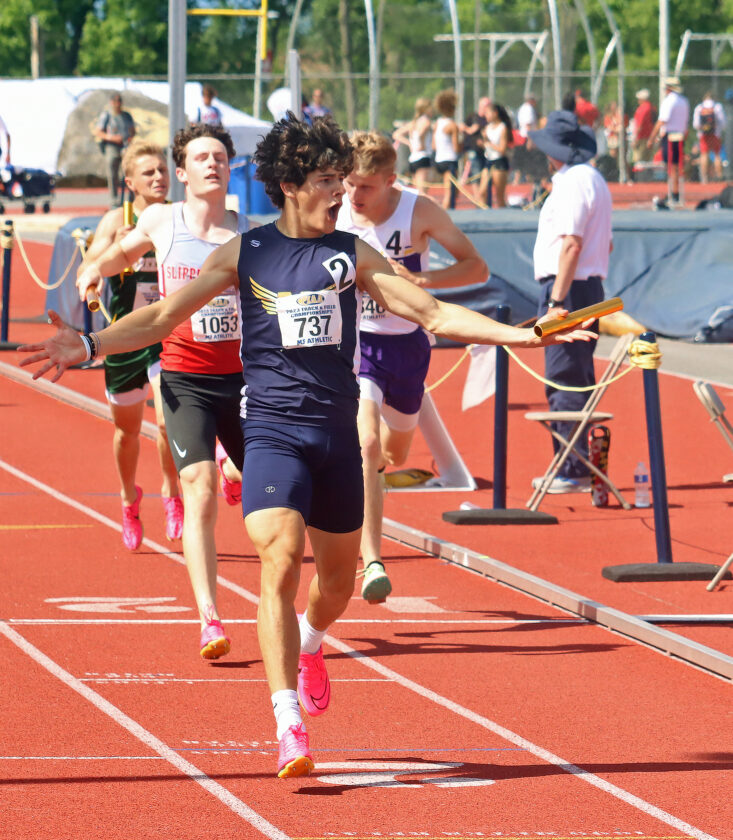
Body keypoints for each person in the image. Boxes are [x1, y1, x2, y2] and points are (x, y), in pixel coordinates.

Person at [19, 114, 594, 778]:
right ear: (291, 185)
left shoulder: (351, 252)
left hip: (335, 438)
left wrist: (524, 335)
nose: (341, 195)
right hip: (269, 431)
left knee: (337, 586)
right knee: (279, 557)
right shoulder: (245, 252)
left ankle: (314, 643)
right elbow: (162, 315)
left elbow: (431, 312)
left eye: (344, 183)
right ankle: (286, 719)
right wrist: (89, 343)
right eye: (327, 182)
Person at [75, 123, 249, 661]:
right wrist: (91, 272)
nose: (213, 164)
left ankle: (237, 469)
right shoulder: (160, 219)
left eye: (221, 157)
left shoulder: (249, 234)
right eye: (202, 157)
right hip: (182, 375)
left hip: (241, 379)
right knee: (196, 486)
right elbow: (116, 255)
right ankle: (208, 616)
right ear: (182, 172)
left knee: (271, 495)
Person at [337, 129, 488, 603]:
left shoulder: (418, 210)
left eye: (365, 186)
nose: (353, 195)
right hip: (358, 345)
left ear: (390, 181)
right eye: (348, 183)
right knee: (365, 445)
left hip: (408, 348)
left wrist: (420, 278)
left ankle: (368, 476)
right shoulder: (335, 209)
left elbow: (476, 268)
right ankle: (373, 561)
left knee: (392, 456)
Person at [79, 140, 182, 551]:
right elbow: (90, 264)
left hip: (165, 333)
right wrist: (114, 245)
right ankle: (128, 498)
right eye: (149, 173)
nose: (158, 178)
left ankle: (171, 492)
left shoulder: (177, 216)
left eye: (162, 170)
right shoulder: (116, 218)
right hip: (124, 336)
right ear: (130, 182)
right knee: (127, 432)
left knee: (165, 423)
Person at [528, 109, 612, 494]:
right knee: (575, 376)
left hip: (570, 288)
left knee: (564, 376)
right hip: (584, 285)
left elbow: (572, 243)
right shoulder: (590, 179)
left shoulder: (575, 182)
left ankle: (571, 468)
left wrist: (556, 299)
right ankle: (573, 463)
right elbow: (601, 243)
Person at [648, 77, 689, 205]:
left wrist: (651, 138)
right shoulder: (684, 101)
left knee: (671, 165)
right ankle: (675, 192)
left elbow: (662, 121)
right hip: (680, 136)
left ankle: (673, 192)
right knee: (676, 165)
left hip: (670, 136)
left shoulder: (669, 101)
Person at [94, 93, 136, 208]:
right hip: (112, 146)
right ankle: (114, 200)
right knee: (112, 170)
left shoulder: (126, 116)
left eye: (119, 101)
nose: (118, 104)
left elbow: (132, 130)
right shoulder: (107, 115)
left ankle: (131, 199)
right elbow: (98, 131)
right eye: (115, 101)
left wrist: (129, 138)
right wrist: (112, 138)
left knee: (129, 171)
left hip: (125, 145)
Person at [393, 97, 433, 196]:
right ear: (426, 109)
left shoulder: (413, 123)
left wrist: (410, 143)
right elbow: (421, 133)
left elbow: (396, 134)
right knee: (422, 193)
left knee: (418, 192)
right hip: (423, 157)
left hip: (413, 159)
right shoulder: (426, 121)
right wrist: (422, 143)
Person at [431, 89, 461, 209]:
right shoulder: (452, 125)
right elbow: (456, 148)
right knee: (450, 193)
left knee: (454, 191)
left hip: (439, 160)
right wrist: (463, 145)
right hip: (450, 160)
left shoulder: (438, 123)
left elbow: (433, 145)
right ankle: (446, 215)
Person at [480, 102, 513, 208]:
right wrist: (483, 141)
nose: (485, 115)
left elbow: (502, 149)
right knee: (482, 191)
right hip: (488, 161)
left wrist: (489, 142)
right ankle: (485, 215)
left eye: (487, 113)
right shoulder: (487, 127)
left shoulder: (503, 128)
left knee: (499, 196)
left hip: (499, 162)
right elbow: (487, 146)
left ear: (495, 113)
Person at [459, 96, 490, 205]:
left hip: (485, 151)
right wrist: (470, 129)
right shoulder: (472, 117)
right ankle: (478, 199)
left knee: (484, 175)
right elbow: (463, 127)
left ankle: (483, 199)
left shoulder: (488, 119)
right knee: (475, 174)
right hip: (472, 150)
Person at [692, 91, 726, 183]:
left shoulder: (699, 107)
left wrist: (703, 129)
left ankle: (704, 178)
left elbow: (695, 124)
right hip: (716, 134)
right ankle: (719, 176)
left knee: (704, 154)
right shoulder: (717, 107)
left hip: (703, 135)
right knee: (717, 155)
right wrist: (719, 130)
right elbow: (722, 122)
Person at [631, 89, 656, 163]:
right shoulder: (652, 108)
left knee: (639, 160)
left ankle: (640, 175)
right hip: (650, 137)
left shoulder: (642, 109)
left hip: (641, 138)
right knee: (648, 160)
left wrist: (635, 139)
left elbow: (639, 125)